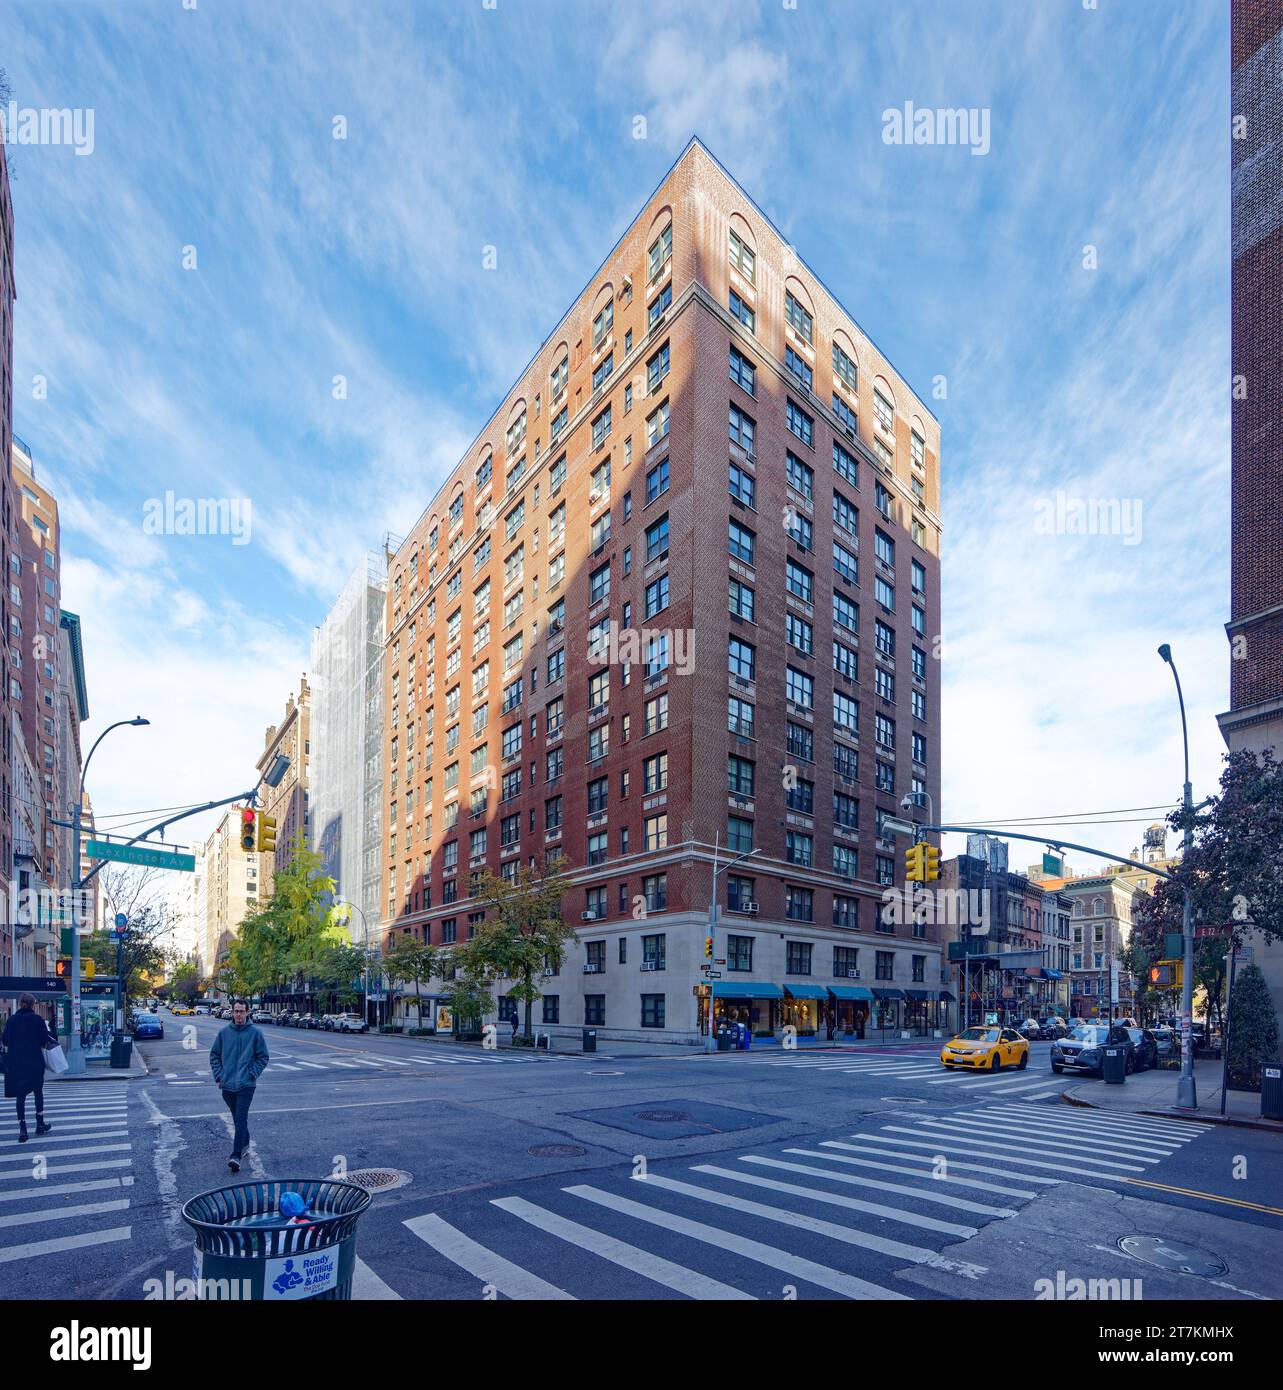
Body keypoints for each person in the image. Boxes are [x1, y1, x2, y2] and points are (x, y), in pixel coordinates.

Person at [209, 998, 269, 1171]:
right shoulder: (223, 1033)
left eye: (242, 1011)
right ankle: (245, 1142)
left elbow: (263, 1057)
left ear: (247, 1012)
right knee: (237, 1118)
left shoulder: (255, 1033)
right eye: (236, 1011)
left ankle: (236, 1155)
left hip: (246, 1084)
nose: (238, 1014)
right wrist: (219, 1075)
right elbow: (214, 1055)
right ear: (232, 1011)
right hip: (227, 1085)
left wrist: (252, 1073)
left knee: (241, 1117)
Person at [2, 993, 57, 1142]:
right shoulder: (37, 1020)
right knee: (38, 1092)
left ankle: (22, 1129)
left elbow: (5, 1040)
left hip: (16, 1063)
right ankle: (40, 1124)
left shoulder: (12, 1020)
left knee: (21, 1095)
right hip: (34, 1062)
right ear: (33, 1005)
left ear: (20, 1004)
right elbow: (45, 1040)